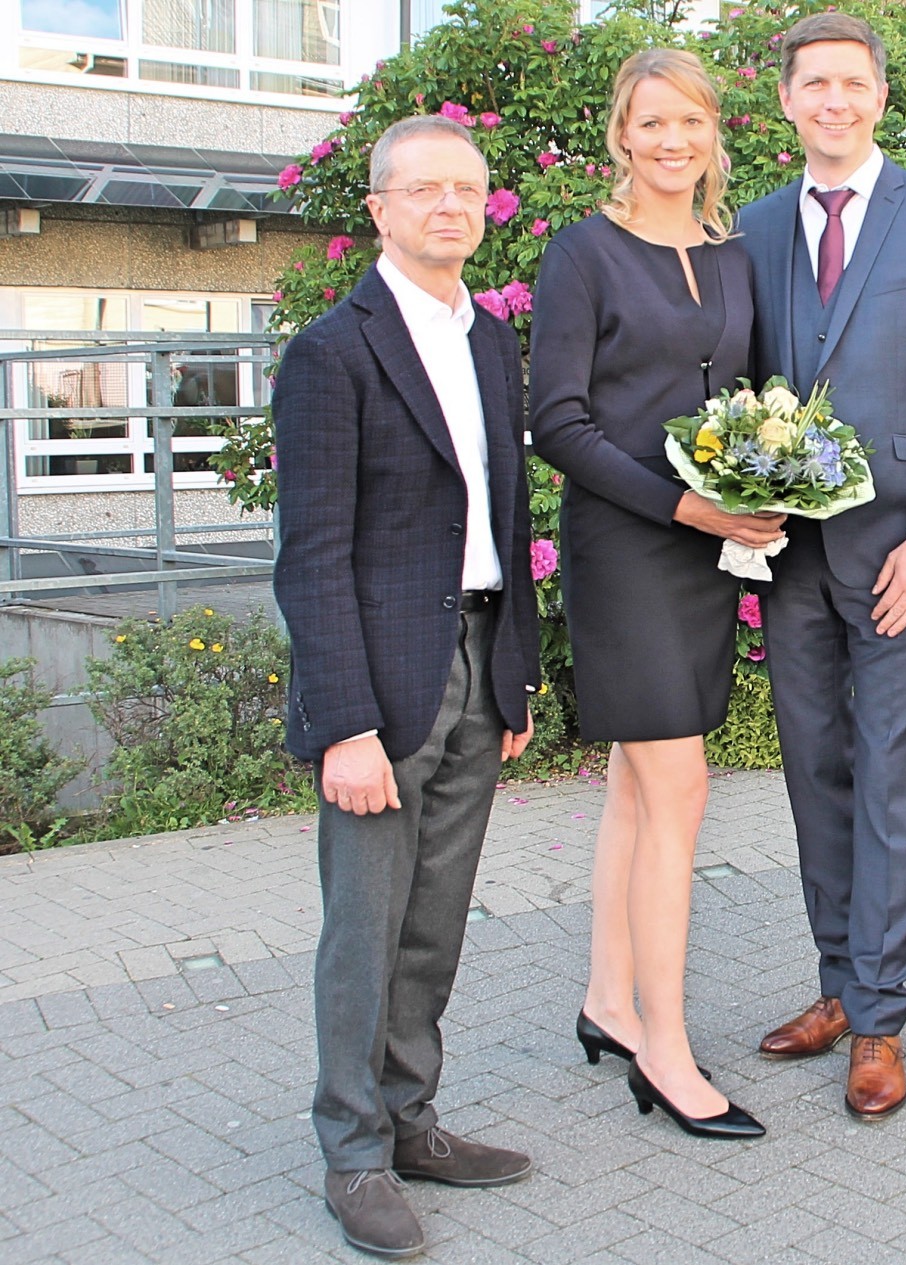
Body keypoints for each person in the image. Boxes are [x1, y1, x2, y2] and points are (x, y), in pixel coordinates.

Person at [272, 114, 542, 1259]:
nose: (447, 206)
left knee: (432, 921)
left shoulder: (488, 342)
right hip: (380, 691)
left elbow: (507, 519)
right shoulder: (332, 353)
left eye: (465, 190)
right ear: (378, 208)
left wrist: (514, 675)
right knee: (365, 928)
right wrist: (343, 723)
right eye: (422, 189)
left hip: (475, 663)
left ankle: (409, 1115)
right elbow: (311, 554)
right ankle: (353, 1151)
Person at [736, 11, 906, 1120]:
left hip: (900, 554)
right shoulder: (752, 226)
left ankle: (882, 1016)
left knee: (892, 782)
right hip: (788, 555)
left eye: (852, 82)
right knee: (816, 775)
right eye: (814, 84)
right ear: (787, 99)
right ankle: (838, 983)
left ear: (880, 96)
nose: (834, 100)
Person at [528, 49, 779, 1139]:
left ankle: (607, 999)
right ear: (620, 136)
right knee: (678, 786)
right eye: (651, 121)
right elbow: (557, 421)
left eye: (690, 121)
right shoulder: (581, 253)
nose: (672, 140)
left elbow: (750, 398)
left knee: (637, 787)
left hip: (707, 552)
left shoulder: (732, 256)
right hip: (627, 547)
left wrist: (766, 485)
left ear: (712, 133)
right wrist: (686, 508)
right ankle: (666, 1052)